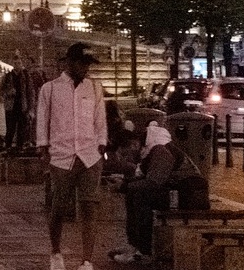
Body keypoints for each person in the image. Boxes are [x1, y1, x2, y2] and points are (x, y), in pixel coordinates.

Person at [37, 43, 107, 270]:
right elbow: (42, 120)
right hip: (61, 155)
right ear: (70, 63)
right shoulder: (50, 89)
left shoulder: (94, 88)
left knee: (90, 206)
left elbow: (100, 119)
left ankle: (87, 260)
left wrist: (101, 145)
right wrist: (43, 148)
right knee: (59, 207)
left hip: (89, 155)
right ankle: (56, 252)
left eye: (88, 64)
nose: (86, 68)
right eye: (82, 63)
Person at [119, 123, 208, 261]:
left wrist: (126, 186)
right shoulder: (154, 150)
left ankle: (144, 250)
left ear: (136, 144)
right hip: (179, 191)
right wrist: (128, 185)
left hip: (187, 195)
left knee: (141, 197)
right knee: (135, 194)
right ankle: (135, 245)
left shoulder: (160, 150)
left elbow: (154, 181)